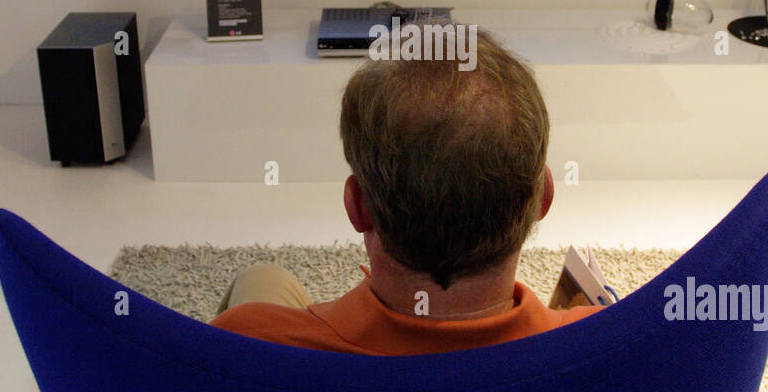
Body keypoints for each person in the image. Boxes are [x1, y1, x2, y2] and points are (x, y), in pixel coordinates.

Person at [210, 29, 607, 355]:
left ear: (357, 206)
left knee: (263, 276)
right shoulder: (607, 344)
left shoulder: (245, 342)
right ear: (544, 198)